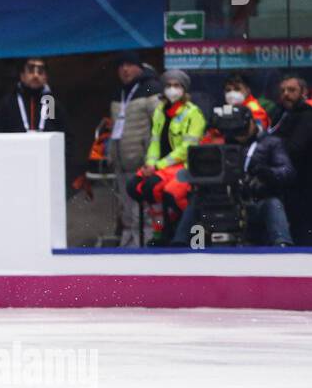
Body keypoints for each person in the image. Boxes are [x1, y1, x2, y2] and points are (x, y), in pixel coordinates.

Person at [171, 106, 296, 247]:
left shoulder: (271, 143)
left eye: (241, 130)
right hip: (222, 199)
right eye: (234, 132)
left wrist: (266, 172)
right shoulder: (221, 144)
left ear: (252, 122)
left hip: (253, 201)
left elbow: (287, 171)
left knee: (273, 204)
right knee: (196, 200)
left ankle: (282, 244)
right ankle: (181, 243)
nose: (239, 136)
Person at [128, 68, 205, 244]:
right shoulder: (160, 111)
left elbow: (187, 149)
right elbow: (154, 142)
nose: (172, 89)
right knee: (135, 187)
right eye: (169, 85)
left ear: (184, 89)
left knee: (156, 189)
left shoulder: (194, 113)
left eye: (177, 85)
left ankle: (171, 231)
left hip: (182, 166)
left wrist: (157, 166)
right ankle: (159, 230)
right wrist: (150, 164)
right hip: (160, 167)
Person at [107, 52, 162, 246]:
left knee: (147, 210)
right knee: (127, 208)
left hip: (143, 162)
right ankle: (130, 241)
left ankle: (148, 243)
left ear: (140, 67)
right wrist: (111, 154)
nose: (125, 69)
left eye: (129, 64)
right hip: (122, 162)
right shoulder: (118, 92)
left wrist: (152, 160)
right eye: (121, 65)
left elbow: (159, 129)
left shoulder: (152, 89)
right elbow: (115, 127)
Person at [268, 75, 312, 245]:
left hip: (302, 180)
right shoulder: (279, 114)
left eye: (291, 90)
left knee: (302, 225)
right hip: (281, 181)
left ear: (304, 92)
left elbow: (296, 148)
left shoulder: (308, 115)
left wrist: (268, 153)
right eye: (283, 90)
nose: (286, 94)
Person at [0, 58, 66, 134]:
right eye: (31, 70)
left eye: (40, 72)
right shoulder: (9, 103)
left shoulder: (52, 104)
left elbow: (65, 136)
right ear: (22, 75)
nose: (36, 75)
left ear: (45, 77)